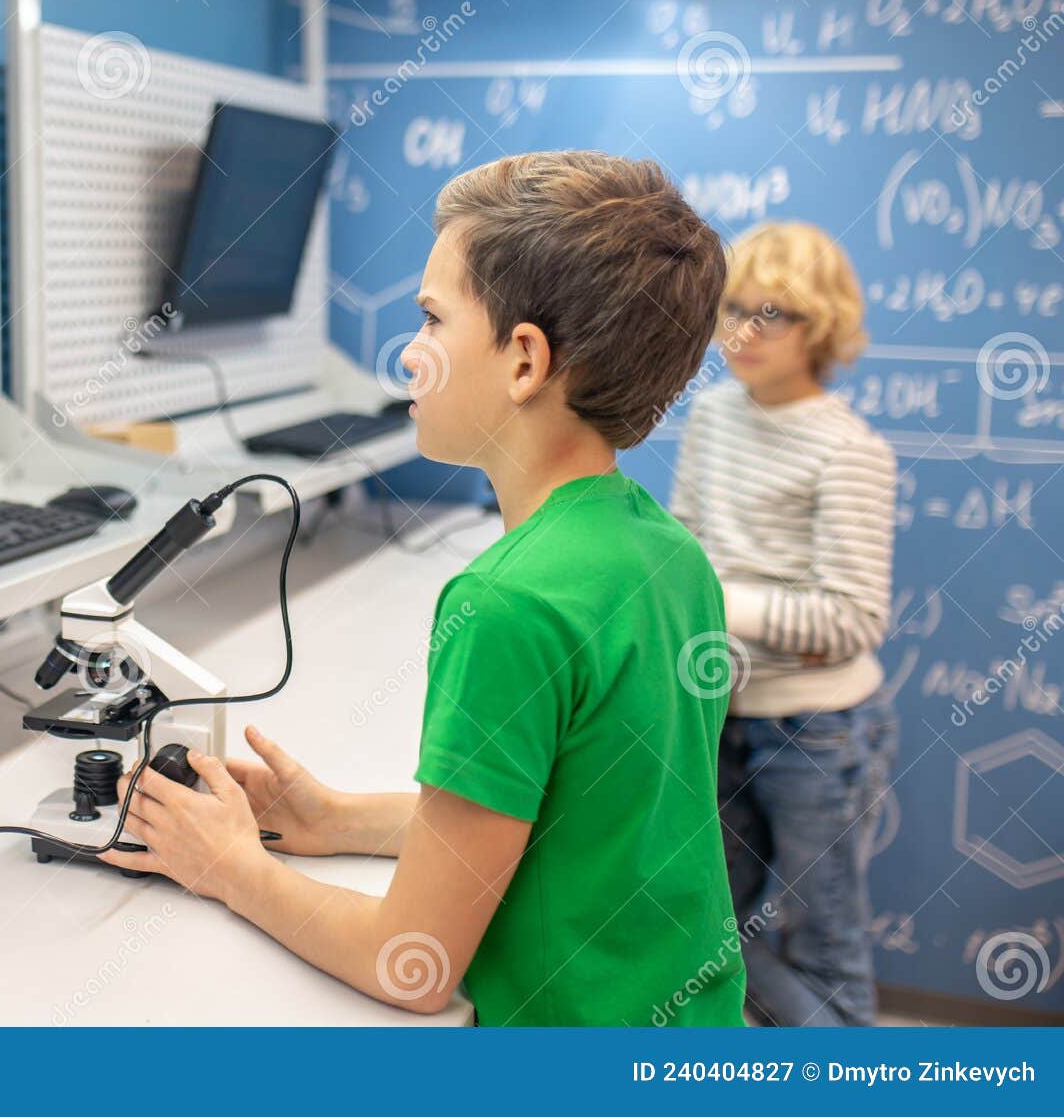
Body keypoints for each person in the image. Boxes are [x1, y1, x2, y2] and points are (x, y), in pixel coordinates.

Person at [101, 151, 746, 1026]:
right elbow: (566, 826)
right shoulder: (668, 553)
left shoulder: (508, 603)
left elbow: (413, 968)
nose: (409, 354)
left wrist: (231, 869)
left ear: (524, 361)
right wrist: (335, 818)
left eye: (432, 320)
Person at [670, 221, 899, 1026]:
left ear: (823, 327)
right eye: (734, 307)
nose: (744, 331)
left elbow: (851, 618)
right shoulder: (714, 417)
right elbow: (685, 540)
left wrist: (715, 597)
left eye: (776, 313)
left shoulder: (849, 451)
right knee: (707, 930)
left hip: (819, 729)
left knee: (825, 947)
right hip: (724, 712)